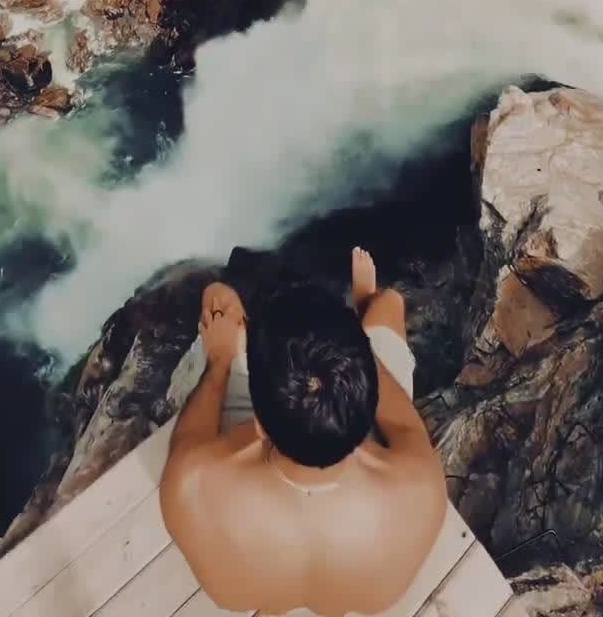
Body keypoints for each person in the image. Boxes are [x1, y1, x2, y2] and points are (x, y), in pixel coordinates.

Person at [160, 247, 447, 617]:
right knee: (388, 303)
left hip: (249, 592)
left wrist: (219, 360)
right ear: (367, 412)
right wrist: (353, 347)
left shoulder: (189, 485)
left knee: (219, 297)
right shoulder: (422, 487)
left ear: (258, 425)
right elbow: (404, 423)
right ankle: (367, 311)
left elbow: (189, 438)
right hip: (359, 593)